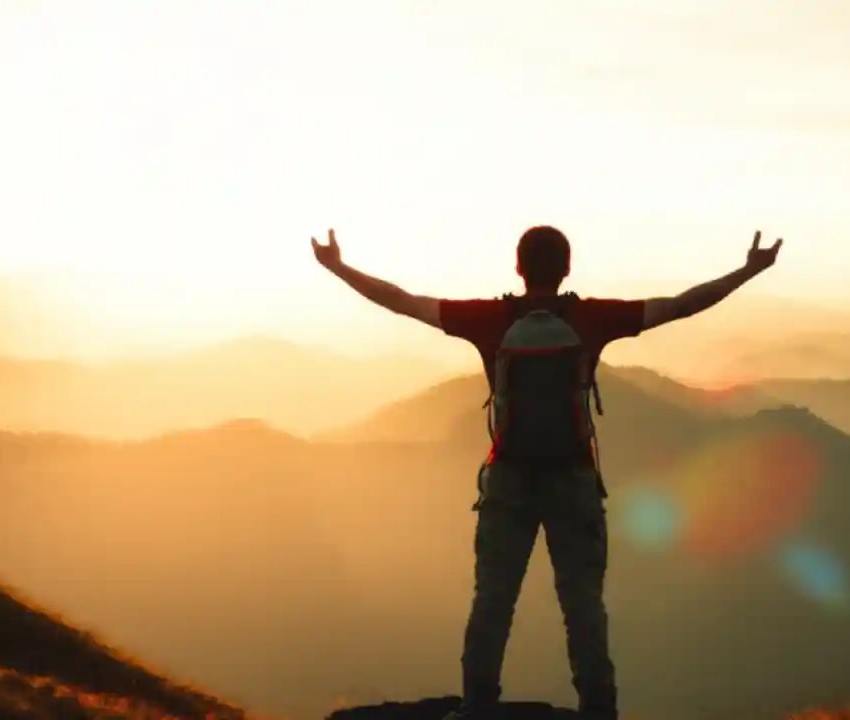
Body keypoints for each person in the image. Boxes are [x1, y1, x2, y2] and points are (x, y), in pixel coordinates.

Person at [311, 225, 782, 719]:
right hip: (573, 480)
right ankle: (598, 708)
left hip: (508, 480)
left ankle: (476, 705)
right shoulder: (591, 318)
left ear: (518, 266)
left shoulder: (490, 319)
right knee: (582, 606)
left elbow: (402, 301)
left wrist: (338, 267)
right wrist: (749, 270)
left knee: (493, 600)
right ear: (566, 269)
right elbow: (680, 304)